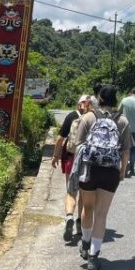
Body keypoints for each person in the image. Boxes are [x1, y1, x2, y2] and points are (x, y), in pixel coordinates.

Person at [75, 85, 132, 270]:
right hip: (110, 172)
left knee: (87, 208)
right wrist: (122, 171)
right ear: (116, 100)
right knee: (101, 213)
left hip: (89, 169)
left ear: (99, 99)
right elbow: (125, 150)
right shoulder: (122, 121)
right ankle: (93, 257)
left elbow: (78, 144)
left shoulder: (88, 117)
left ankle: (85, 242)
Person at [51, 95, 89, 242]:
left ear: (78, 104)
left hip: (71, 158)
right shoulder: (93, 117)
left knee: (71, 191)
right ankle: (80, 224)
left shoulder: (72, 116)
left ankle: (68, 217)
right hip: (87, 159)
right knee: (84, 193)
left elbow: (60, 138)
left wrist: (55, 156)